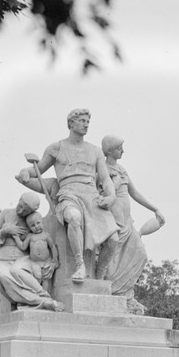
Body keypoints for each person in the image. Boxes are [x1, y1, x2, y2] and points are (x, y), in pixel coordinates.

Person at [16, 108, 117, 283]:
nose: (86, 125)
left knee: (113, 239)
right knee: (73, 217)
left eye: (88, 122)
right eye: (82, 121)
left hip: (92, 197)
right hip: (69, 195)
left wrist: (111, 197)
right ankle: (80, 265)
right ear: (71, 123)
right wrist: (25, 171)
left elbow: (106, 179)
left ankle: (99, 273)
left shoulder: (95, 151)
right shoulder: (56, 148)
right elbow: (37, 170)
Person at [95, 134, 166, 314]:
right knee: (111, 263)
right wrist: (115, 182)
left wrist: (155, 209)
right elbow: (102, 193)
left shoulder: (122, 169)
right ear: (110, 150)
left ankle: (125, 295)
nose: (123, 151)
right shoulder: (102, 169)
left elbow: (135, 193)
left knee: (140, 254)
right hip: (113, 221)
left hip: (127, 221)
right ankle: (110, 294)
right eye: (119, 148)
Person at [19, 211, 60, 293]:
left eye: (38, 223)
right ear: (29, 228)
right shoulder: (30, 236)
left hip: (46, 262)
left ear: (42, 222)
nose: (37, 227)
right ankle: (36, 294)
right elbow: (23, 247)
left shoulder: (46, 235)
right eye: (33, 225)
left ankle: (45, 295)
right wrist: (16, 238)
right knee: (37, 276)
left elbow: (52, 247)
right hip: (35, 263)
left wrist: (55, 260)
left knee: (45, 279)